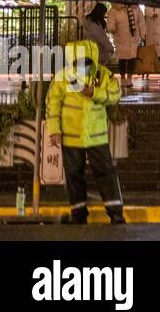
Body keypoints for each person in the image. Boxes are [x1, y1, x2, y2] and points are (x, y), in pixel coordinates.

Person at [46, 38, 125, 224]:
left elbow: (115, 95)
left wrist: (94, 93)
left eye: (87, 62)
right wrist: (54, 130)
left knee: (106, 173)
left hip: (97, 137)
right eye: (79, 62)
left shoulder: (104, 75)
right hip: (71, 136)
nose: (83, 66)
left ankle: (115, 213)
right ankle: (78, 214)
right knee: (74, 175)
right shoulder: (63, 77)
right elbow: (52, 104)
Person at [105, 3, 142, 90]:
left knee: (132, 59)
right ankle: (122, 77)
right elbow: (110, 22)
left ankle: (129, 78)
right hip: (121, 38)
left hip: (133, 37)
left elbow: (140, 21)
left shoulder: (135, 8)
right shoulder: (115, 9)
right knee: (122, 59)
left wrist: (143, 33)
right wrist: (111, 28)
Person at [82, 3, 115, 70]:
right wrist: (111, 48)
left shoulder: (87, 22)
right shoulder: (95, 25)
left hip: (88, 50)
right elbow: (103, 39)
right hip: (97, 51)